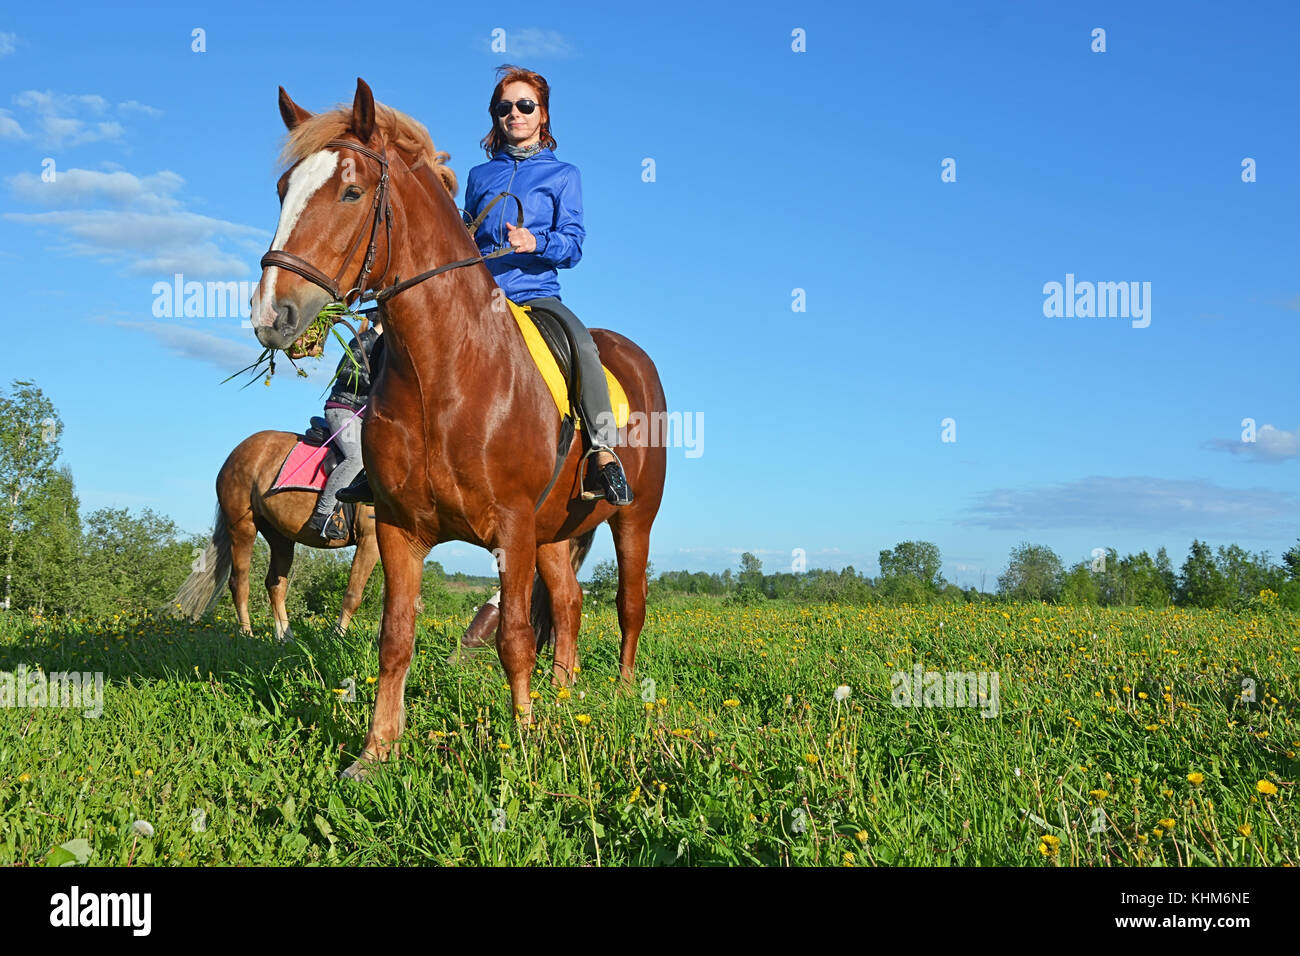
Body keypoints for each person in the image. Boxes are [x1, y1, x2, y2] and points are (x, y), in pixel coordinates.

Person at [464, 64, 631, 505]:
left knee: (583, 345)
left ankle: (602, 453)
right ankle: (374, 460)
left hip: (535, 296)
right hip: (478, 299)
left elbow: (574, 246)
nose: (514, 114)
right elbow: (465, 231)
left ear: (543, 115)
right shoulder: (480, 177)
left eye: (524, 106)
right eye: (504, 108)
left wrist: (536, 240)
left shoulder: (564, 175)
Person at [307, 318, 382, 541]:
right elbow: (345, 372)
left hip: (364, 415)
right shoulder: (363, 341)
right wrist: (377, 381)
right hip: (343, 409)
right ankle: (322, 514)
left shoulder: (387, 348)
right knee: (357, 458)